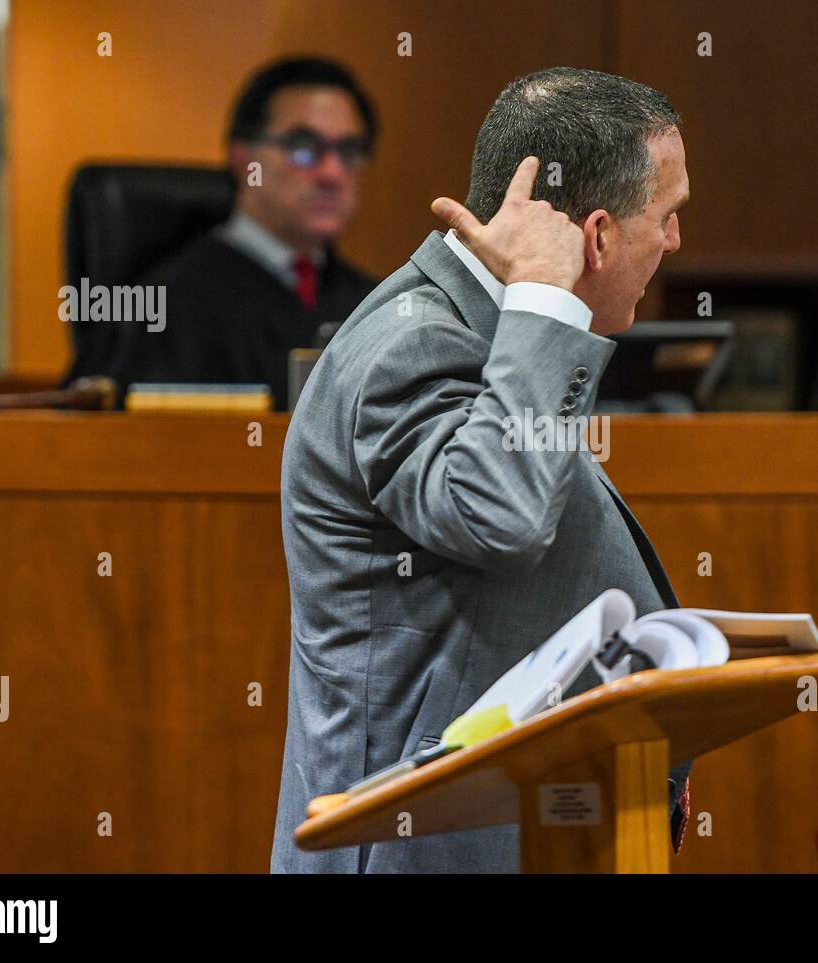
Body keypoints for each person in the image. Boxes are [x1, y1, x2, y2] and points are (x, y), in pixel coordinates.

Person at [270, 67, 691, 873]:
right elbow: (500, 515)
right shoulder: (411, 344)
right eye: (666, 216)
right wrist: (544, 299)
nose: (673, 242)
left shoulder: (476, 333)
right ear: (594, 236)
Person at [108, 57, 379, 409]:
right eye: (303, 147)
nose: (331, 173)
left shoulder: (376, 303)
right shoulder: (166, 305)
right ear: (242, 159)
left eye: (348, 150)